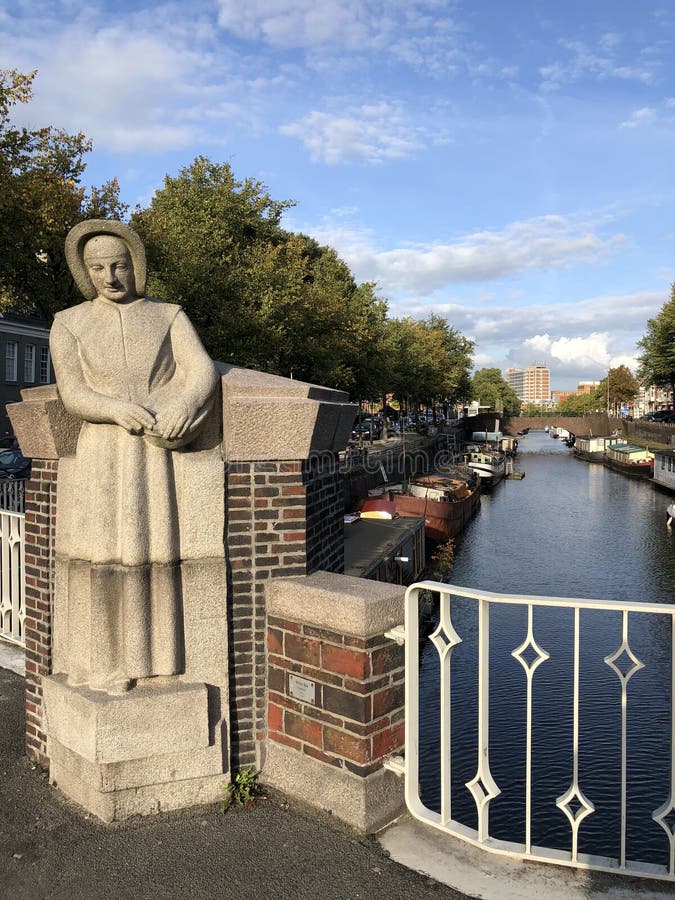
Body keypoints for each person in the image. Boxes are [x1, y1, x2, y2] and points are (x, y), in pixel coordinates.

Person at [50, 219, 219, 694]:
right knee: (103, 552)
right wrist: (116, 409)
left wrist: (183, 406)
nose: (110, 277)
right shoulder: (69, 322)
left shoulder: (168, 315)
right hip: (104, 452)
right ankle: (104, 661)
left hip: (153, 454)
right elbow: (73, 392)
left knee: (153, 550)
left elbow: (200, 370)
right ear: (84, 272)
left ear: (135, 265)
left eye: (119, 265)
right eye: (98, 268)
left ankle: (159, 658)